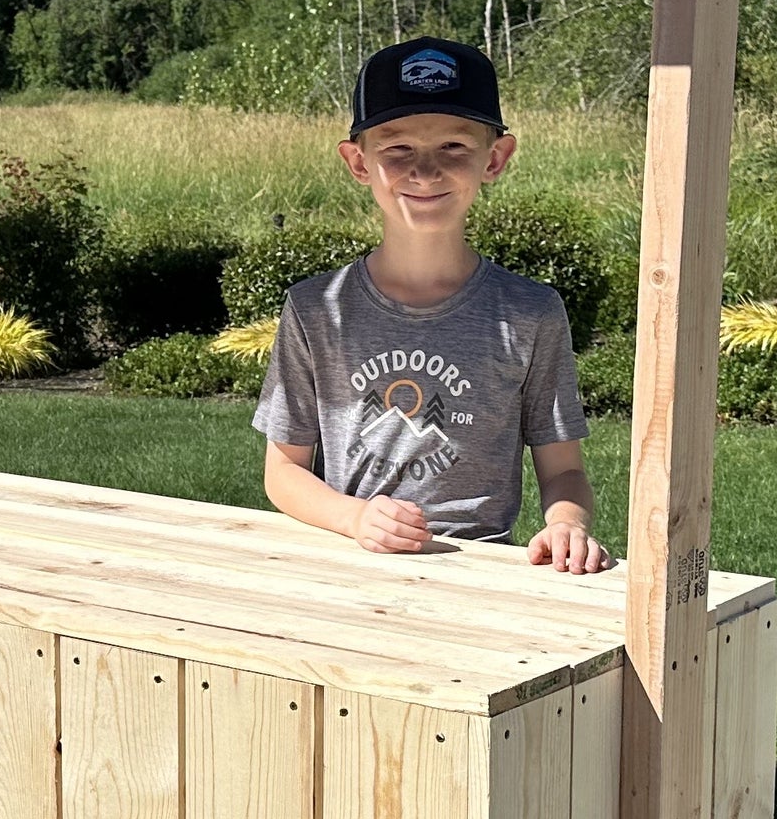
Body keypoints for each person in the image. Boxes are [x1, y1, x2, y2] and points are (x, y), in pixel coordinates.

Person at [254, 38, 612, 572]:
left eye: (453, 147)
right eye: (397, 149)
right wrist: (355, 517)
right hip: (348, 563)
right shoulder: (315, 310)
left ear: (495, 158)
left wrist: (567, 524)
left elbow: (564, 471)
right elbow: (283, 471)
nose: (424, 172)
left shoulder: (531, 312)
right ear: (358, 161)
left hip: (481, 567)